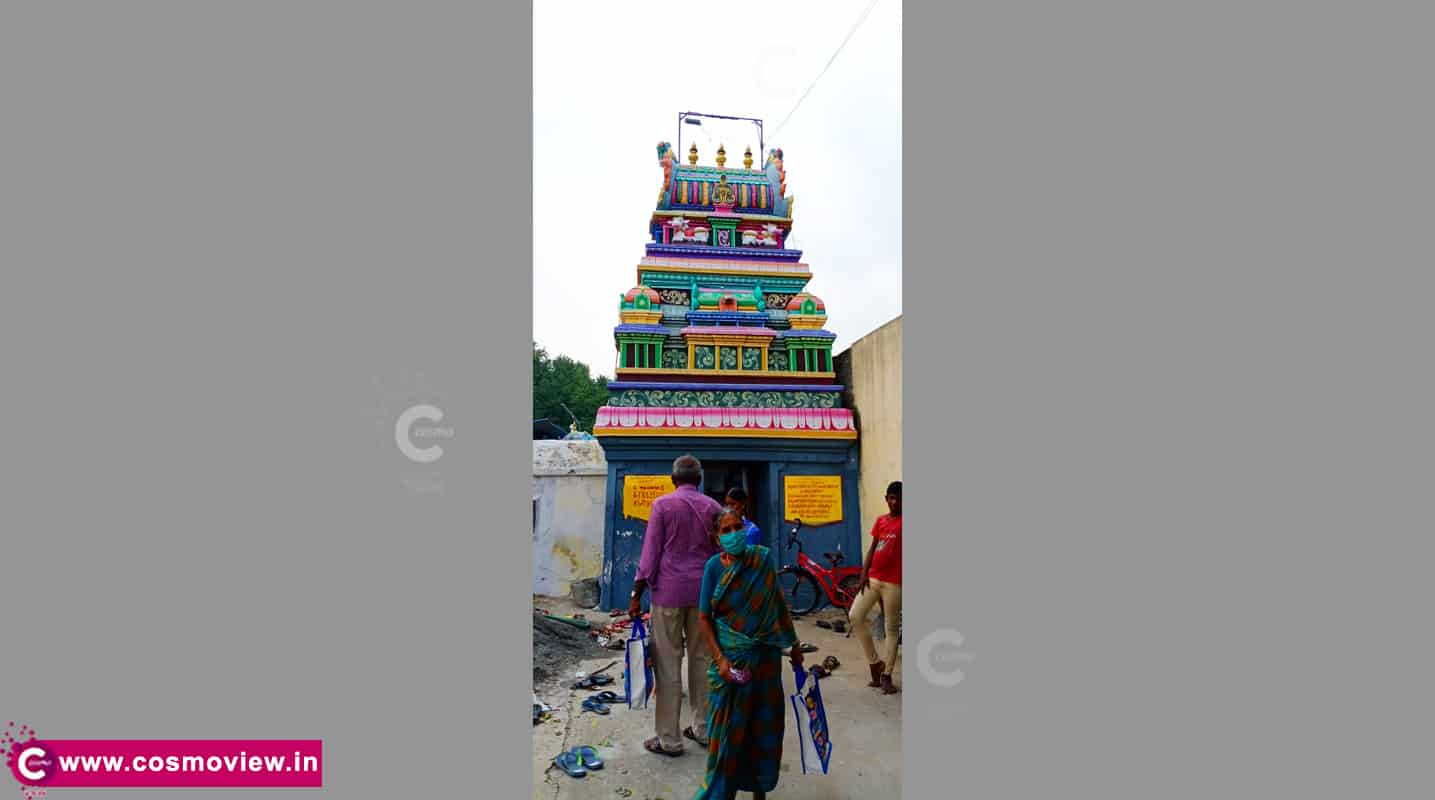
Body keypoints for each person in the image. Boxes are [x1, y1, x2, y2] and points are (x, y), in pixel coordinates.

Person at [694, 508, 803, 800]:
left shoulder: (762, 559)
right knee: (727, 732)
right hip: (731, 662)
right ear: (716, 538)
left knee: (762, 727)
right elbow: (704, 617)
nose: (733, 534)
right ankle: (722, 791)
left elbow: (778, 605)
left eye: (737, 527)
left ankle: (759, 789)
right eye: (725, 530)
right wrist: (720, 659)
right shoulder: (713, 568)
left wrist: (793, 646)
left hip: (766, 661)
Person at [629, 454, 723, 756]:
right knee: (702, 661)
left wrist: (636, 594)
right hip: (703, 595)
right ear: (699, 479)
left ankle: (669, 740)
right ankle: (704, 729)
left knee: (668, 665)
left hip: (667, 593)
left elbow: (650, 554)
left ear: (673, 479)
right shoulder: (713, 507)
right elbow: (722, 552)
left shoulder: (662, 505)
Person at [849, 480, 903, 695]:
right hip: (873, 579)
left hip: (895, 583)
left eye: (899, 499)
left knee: (891, 628)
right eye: (891, 498)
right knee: (855, 615)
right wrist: (863, 574)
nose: (895, 502)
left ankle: (887, 675)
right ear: (886, 499)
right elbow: (872, 549)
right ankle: (875, 663)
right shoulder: (881, 521)